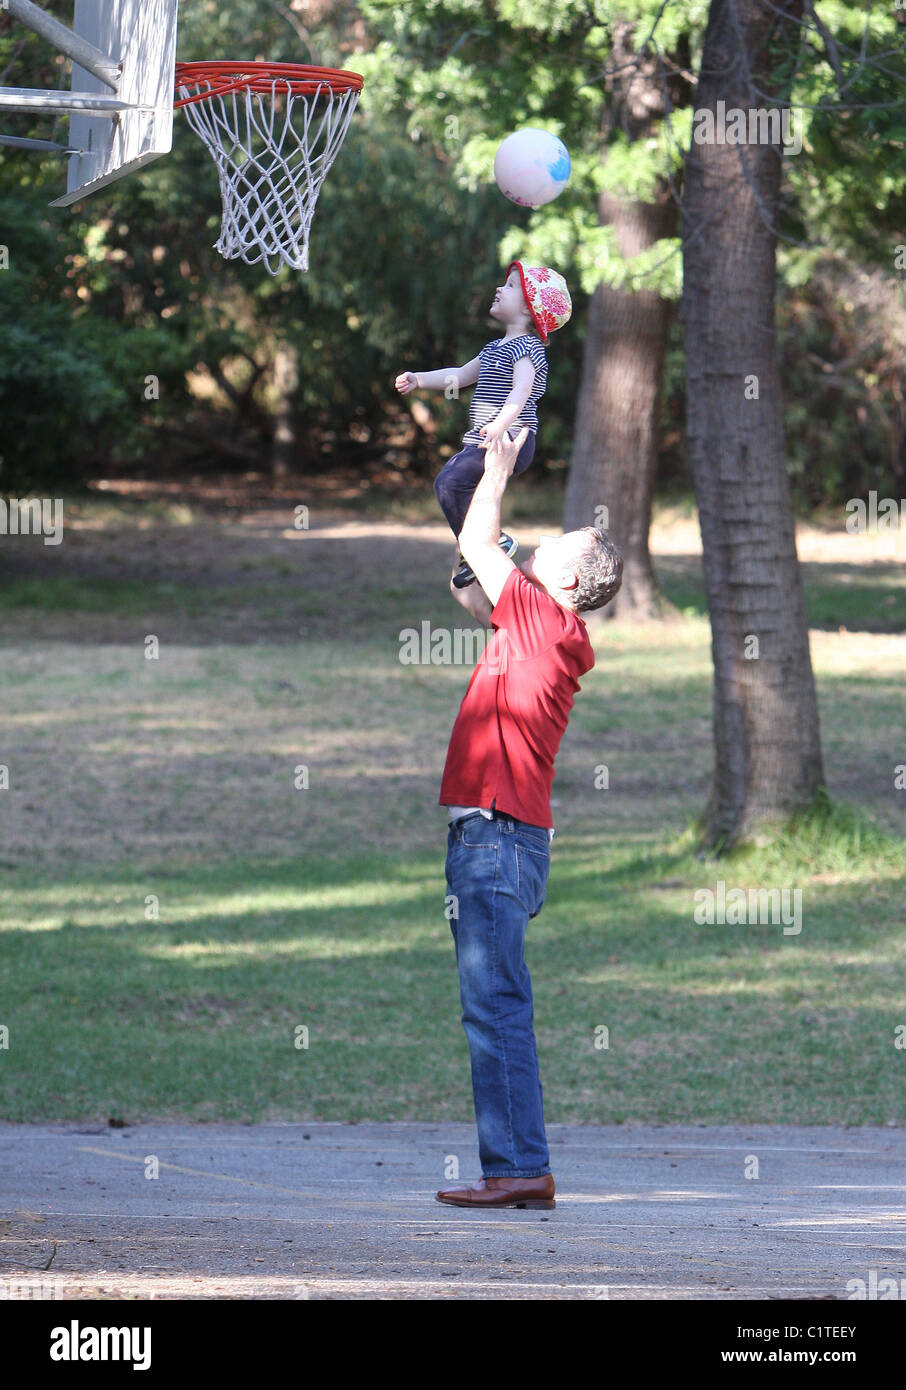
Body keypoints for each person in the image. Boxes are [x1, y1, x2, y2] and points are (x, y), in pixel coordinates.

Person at [435, 425, 623, 1210]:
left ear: (572, 581)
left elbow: (481, 541)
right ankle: (519, 1166)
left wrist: (500, 468)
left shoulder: (546, 621)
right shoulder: (541, 624)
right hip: (505, 837)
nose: (547, 543)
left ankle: (518, 1169)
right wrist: (474, 492)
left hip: (496, 836)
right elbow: (469, 583)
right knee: (496, 1003)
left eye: (561, 543)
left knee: (496, 1006)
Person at [395, 261, 571, 589]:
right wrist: (418, 379)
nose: (499, 289)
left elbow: (522, 390)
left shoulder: (527, 347)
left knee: (449, 482)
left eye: (511, 286)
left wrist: (500, 425)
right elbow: (460, 376)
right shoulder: (493, 348)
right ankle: (475, 552)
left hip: (510, 439)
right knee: (453, 485)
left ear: (527, 306)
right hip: (489, 436)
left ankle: (490, 543)